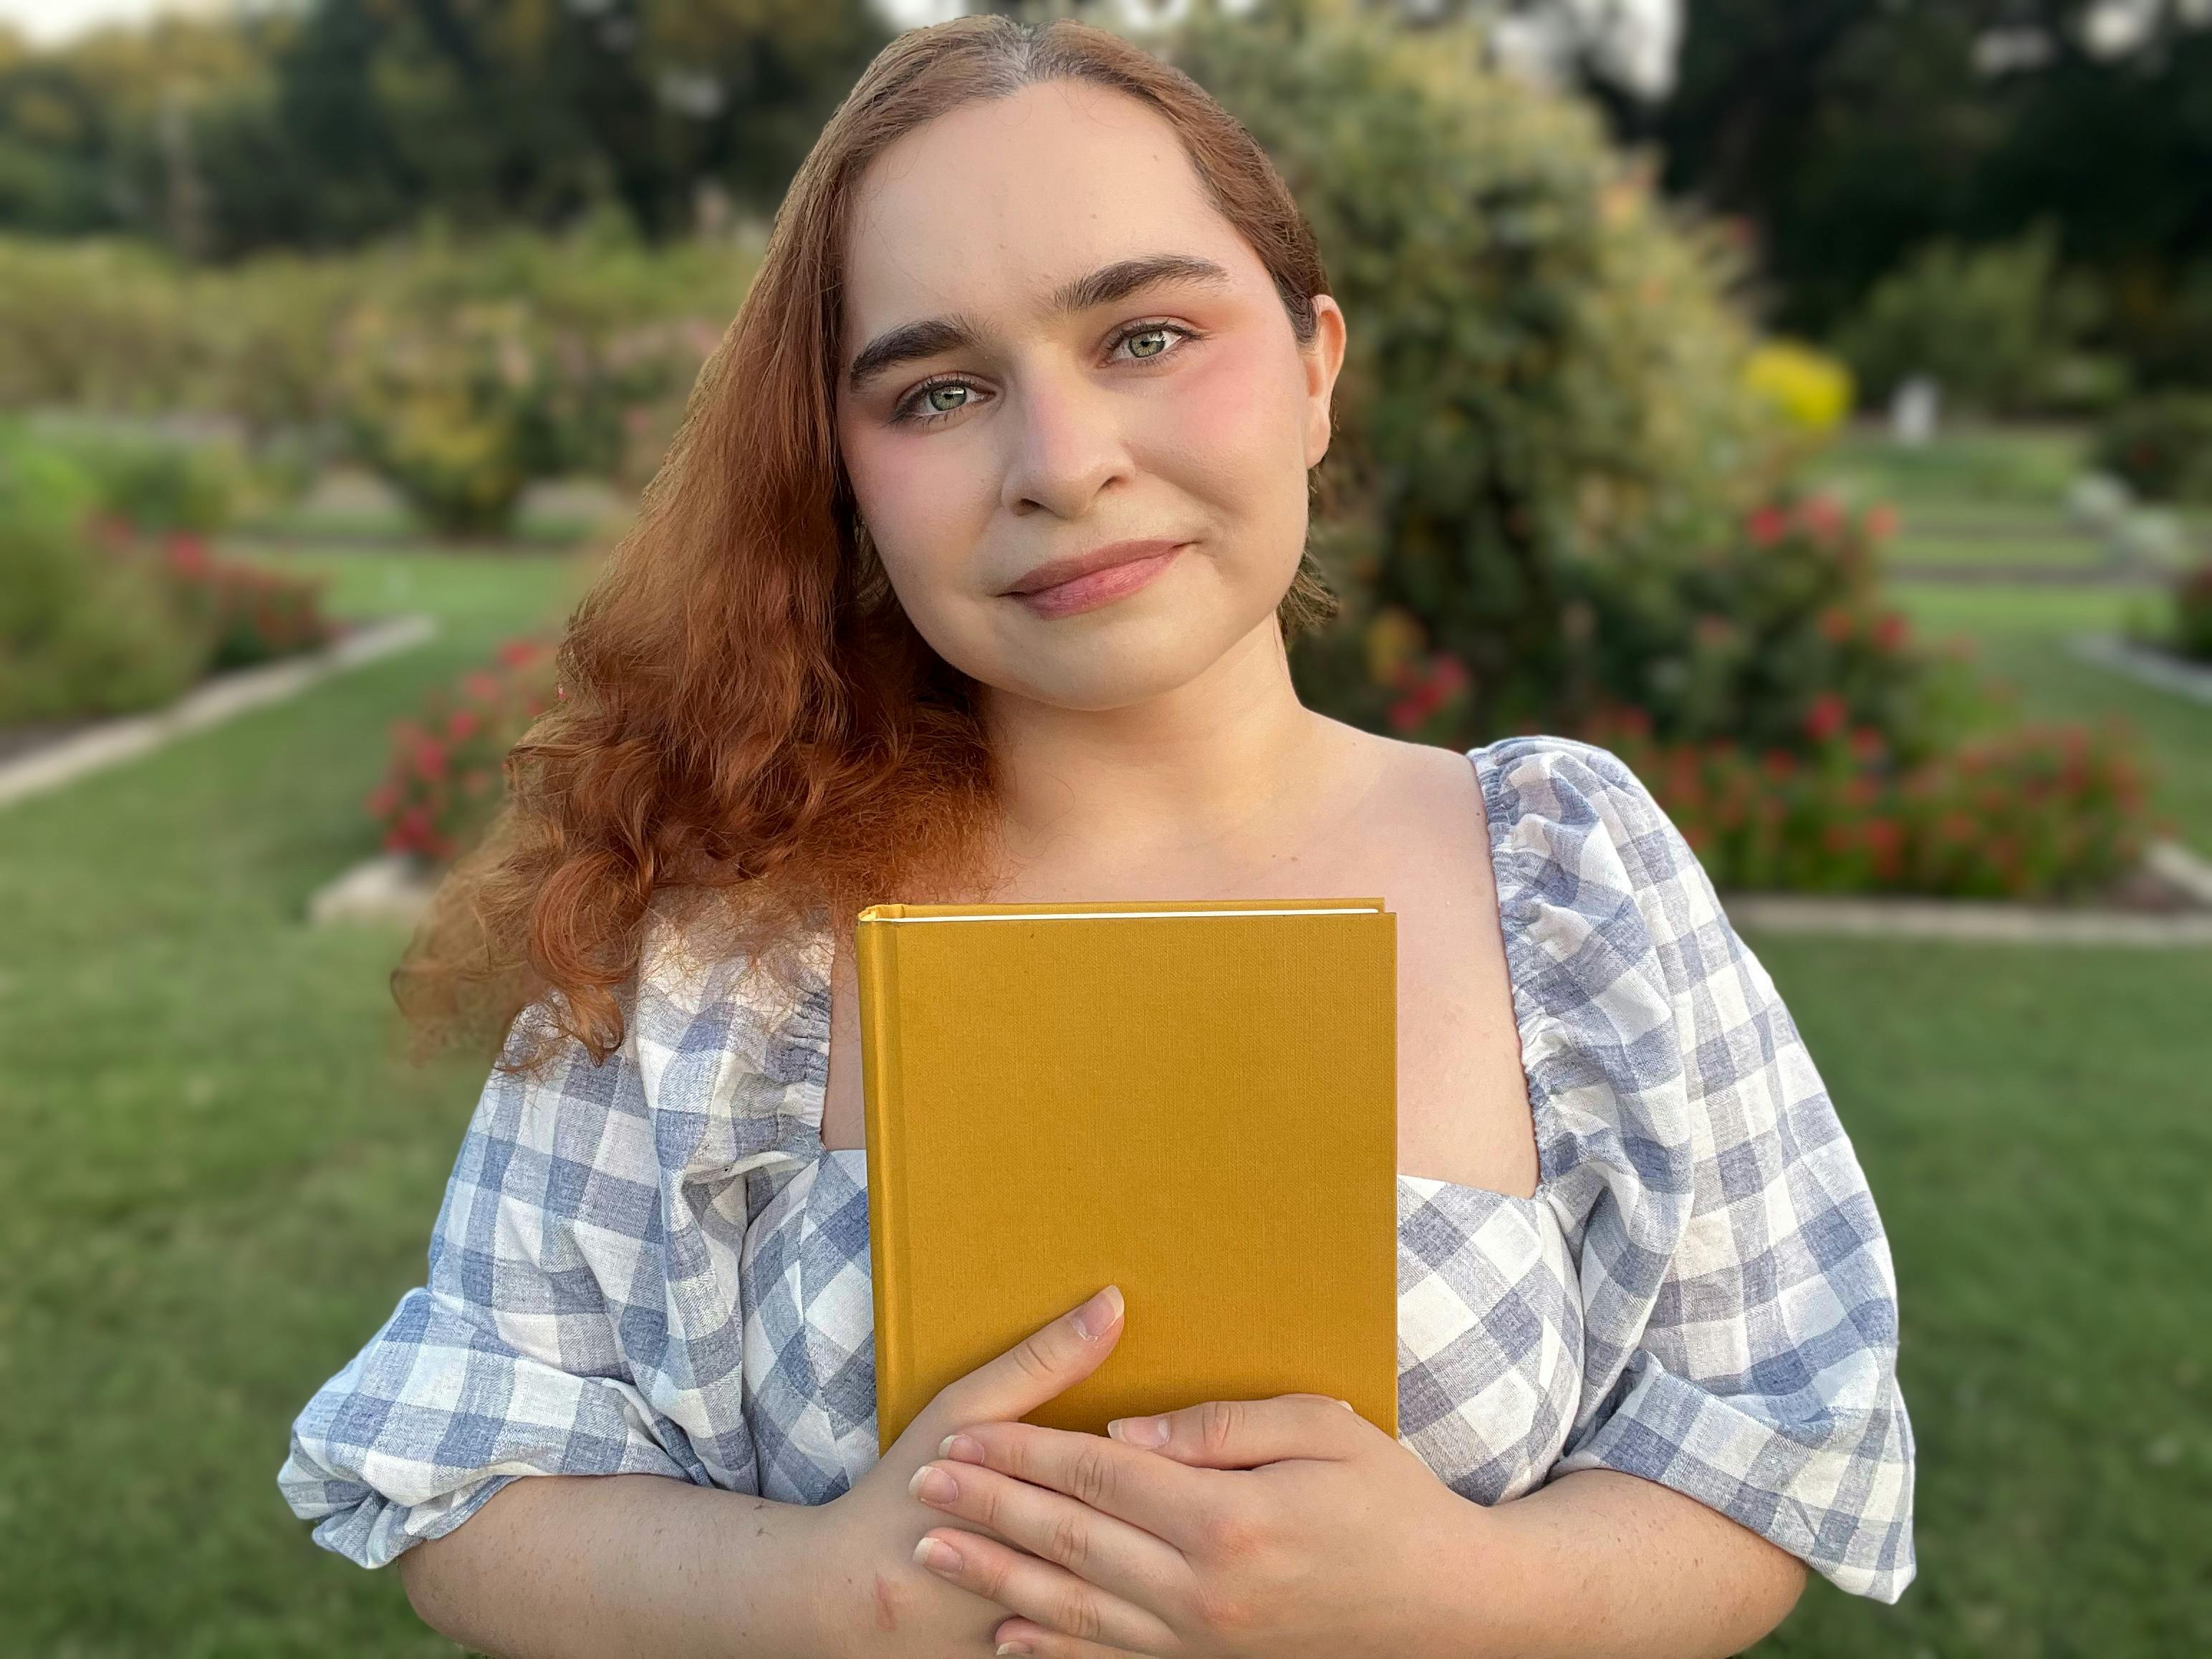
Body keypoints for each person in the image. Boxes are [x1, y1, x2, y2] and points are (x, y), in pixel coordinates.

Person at [276, 14, 1916, 1655]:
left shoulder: (1565, 876)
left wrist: (1460, 1600)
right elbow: (462, 1480)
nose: (1060, 463)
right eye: (936, 390)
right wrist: (844, 1599)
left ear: (1314, 369)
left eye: (1142, 335)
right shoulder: (723, 934)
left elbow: (1767, 1451)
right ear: (844, 473)